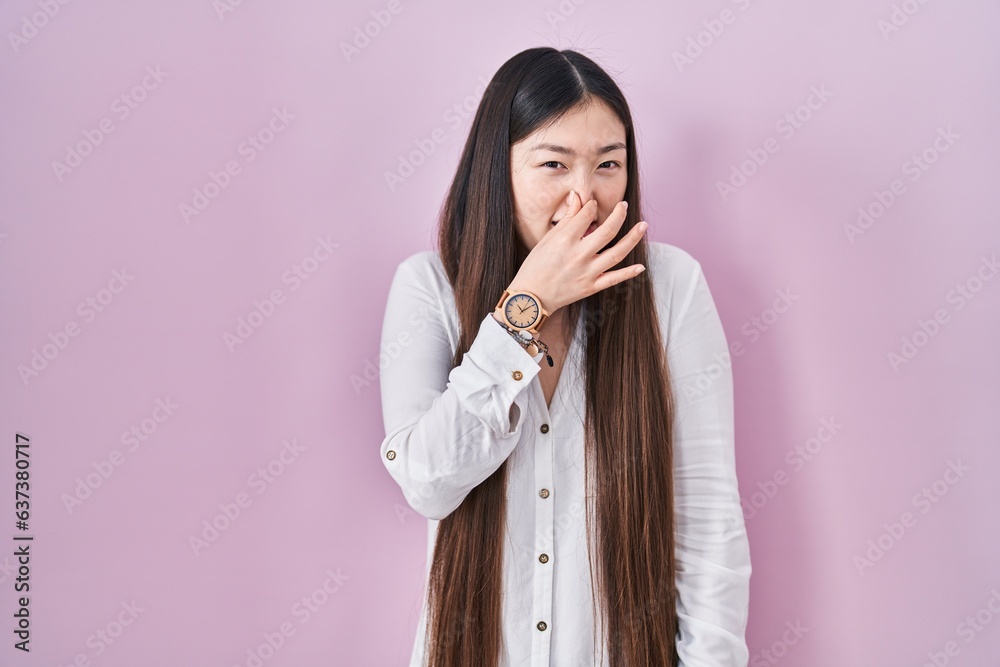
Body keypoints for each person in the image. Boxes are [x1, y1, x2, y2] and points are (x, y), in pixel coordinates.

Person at [378, 46, 751, 667]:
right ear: (498, 170)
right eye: (554, 163)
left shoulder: (672, 288)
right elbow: (426, 481)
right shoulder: (429, 289)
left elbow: (708, 521)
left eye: (609, 164)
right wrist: (524, 308)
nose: (586, 198)